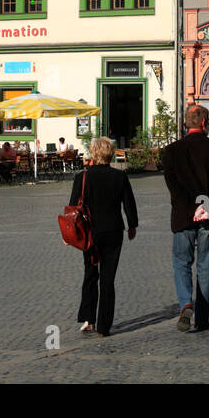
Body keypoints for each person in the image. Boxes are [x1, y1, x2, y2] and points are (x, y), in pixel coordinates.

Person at [161, 104, 209, 332]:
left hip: (183, 215)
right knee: (205, 264)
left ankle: (185, 303)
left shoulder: (171, 151)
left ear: (186, 123)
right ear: (204, 123)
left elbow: (173, 186)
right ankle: (202, 317)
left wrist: (192, 206)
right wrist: (205, 204)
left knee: (181, 262)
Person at [68, 136, 138, 337]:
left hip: (89, 232)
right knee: (108, 279)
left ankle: (89, 319)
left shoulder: (82, 177)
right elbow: (129, 204)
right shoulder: (120, 176)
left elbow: (73, 207)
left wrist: (69, 234)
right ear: (110, 153)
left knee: (90, 273)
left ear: (93, 153)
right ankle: (104, 326)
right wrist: (132, 225)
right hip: (114, 231)